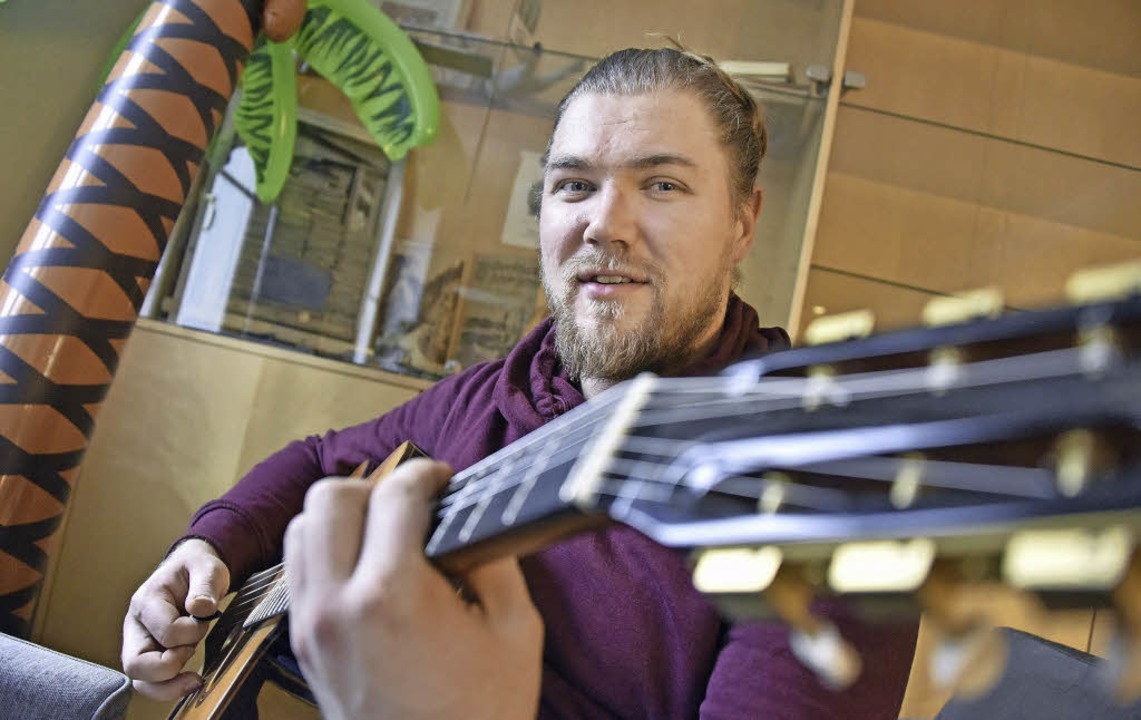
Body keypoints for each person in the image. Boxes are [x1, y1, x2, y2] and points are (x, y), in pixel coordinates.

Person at [122, 47, 918, 718]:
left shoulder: (826, 486)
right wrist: (207, 545)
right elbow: (320, 462)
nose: (604, 223)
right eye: (573, 184)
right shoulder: (504, 387)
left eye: (662, 185)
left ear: (742, 221)